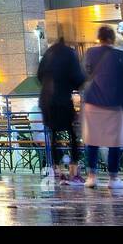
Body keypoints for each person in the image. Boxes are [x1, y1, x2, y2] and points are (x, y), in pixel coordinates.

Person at [81, 26, 123, 192]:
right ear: (112, 38)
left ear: (99, 38)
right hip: (114, 103)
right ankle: (113, 177)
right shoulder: (120, 55)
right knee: (114, 142)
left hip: (92, 102)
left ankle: (91, 176)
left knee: (92, 140)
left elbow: (83, 75)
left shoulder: (89, 53)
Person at [37, 35, 86, 185]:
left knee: (53, 134)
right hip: (63, 99)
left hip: (46, 99)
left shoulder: (48, 53)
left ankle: (57, 170)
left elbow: (39, 75)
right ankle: (74, 171)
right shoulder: (70, 54)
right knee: (72, 134)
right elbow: (78, 78)